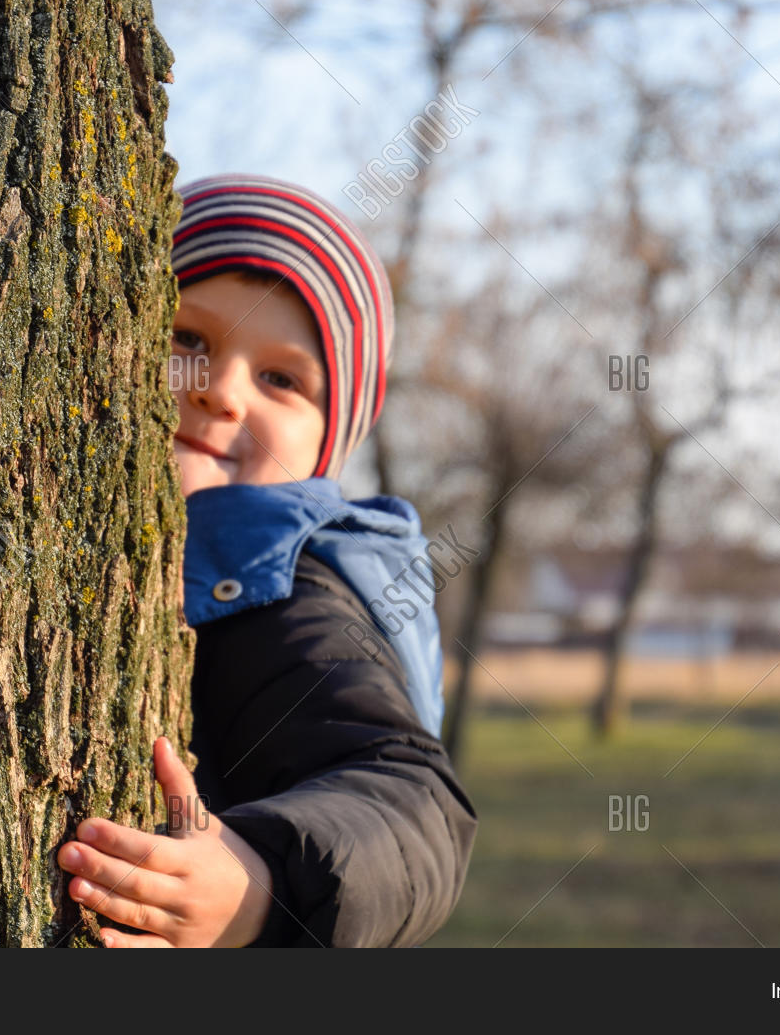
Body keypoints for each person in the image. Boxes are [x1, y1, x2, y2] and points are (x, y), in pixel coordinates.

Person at [57, 174, 477, 947]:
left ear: (327, 449)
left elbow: (415, 802)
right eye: (188, 340)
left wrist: (260, 883)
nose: (221, 391)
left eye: (280, 378)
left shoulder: (287, 579)